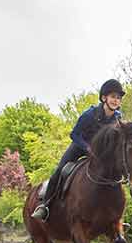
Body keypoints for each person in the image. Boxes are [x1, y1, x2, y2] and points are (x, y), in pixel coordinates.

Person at [31, 79, 125, 221]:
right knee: (60, 171)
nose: (116, 101)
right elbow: (74, 134)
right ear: (104, 98)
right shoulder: (89, 114)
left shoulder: (118, 118)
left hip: (100, 153)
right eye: (113, 97)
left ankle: (112, 217)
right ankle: (45, 206)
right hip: (80, 147)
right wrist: (87, 148)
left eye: (118, 98)